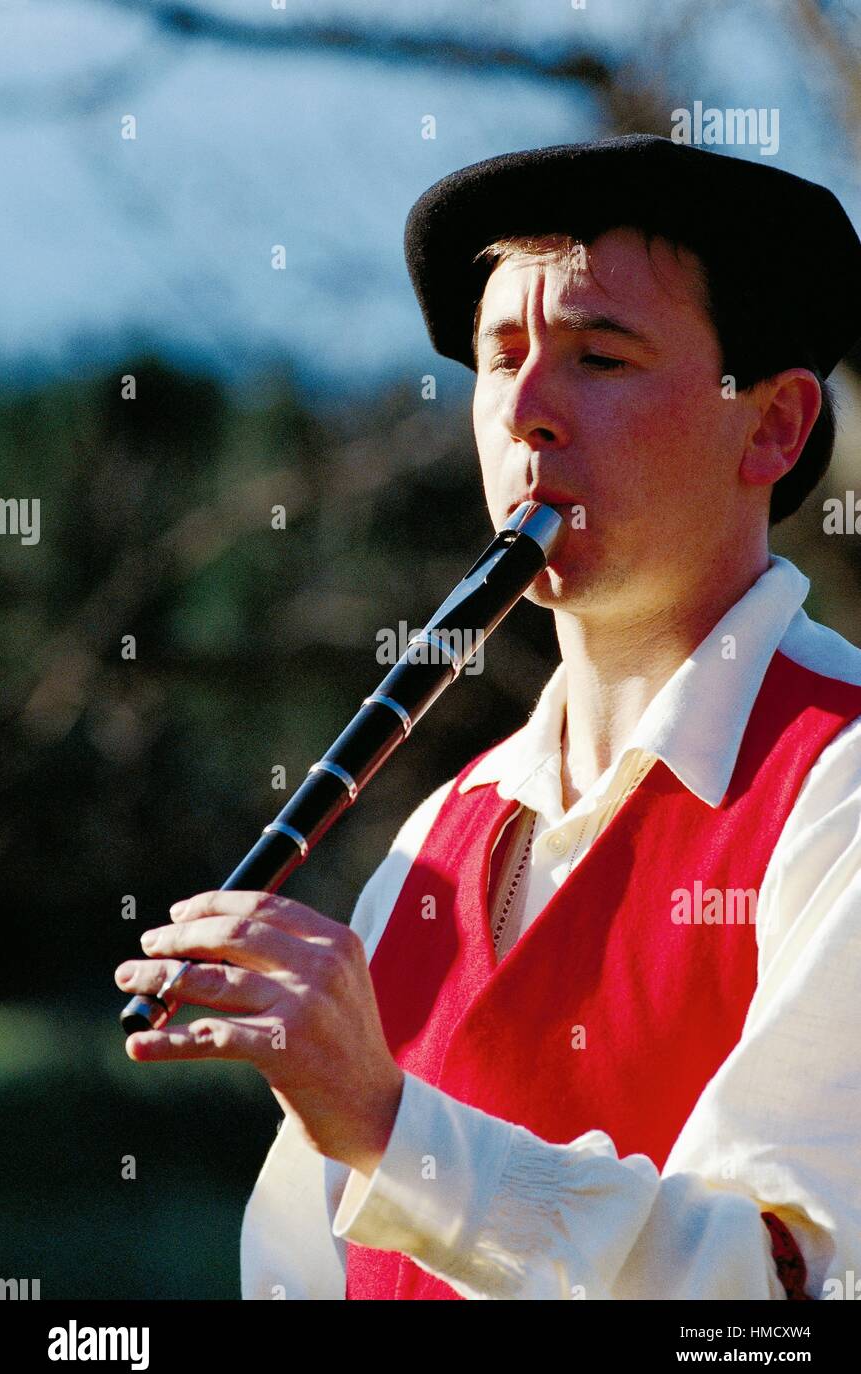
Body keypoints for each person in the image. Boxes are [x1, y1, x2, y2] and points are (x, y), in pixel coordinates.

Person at [115, 135, 861, 1300]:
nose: (524, 411)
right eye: (498, 355)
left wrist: (383, 1121)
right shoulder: (427, 843)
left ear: (769, 426)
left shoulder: (840, 790)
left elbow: (780, 1298)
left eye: (599, 356)